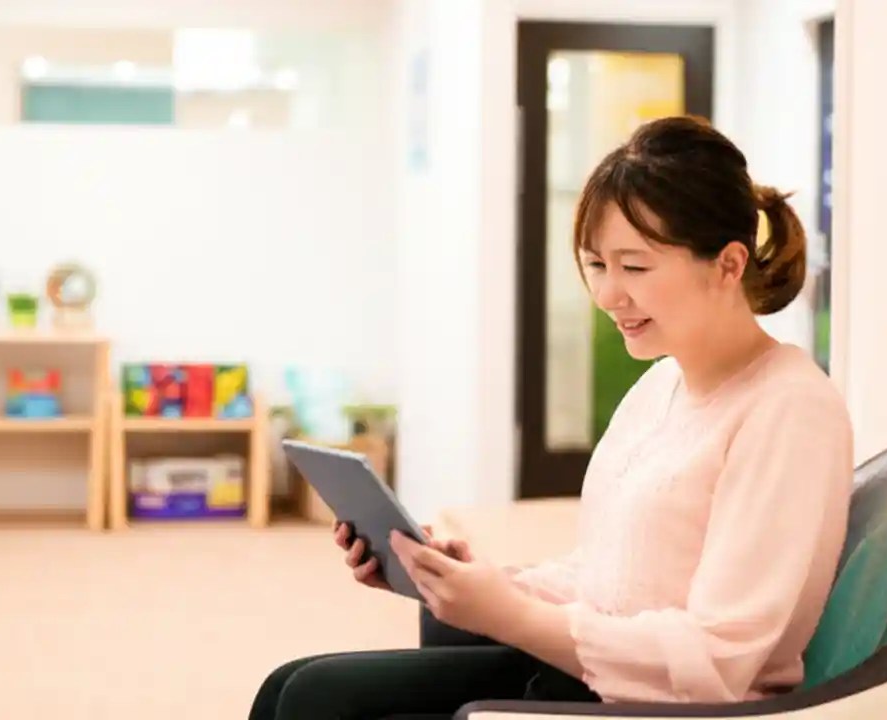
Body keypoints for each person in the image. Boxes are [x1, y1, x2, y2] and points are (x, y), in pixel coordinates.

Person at [249, 115, 853, 719]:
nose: (609, 295)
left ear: (728, 264)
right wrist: (477, 581)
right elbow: (609, 581)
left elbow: (720, 663)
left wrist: (506, 612)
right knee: (292, 686)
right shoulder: (662, 383)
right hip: (596, 673)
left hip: (662, 707)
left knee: (314, 703)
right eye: (596, 265)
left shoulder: (790, 408)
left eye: (635, 267)